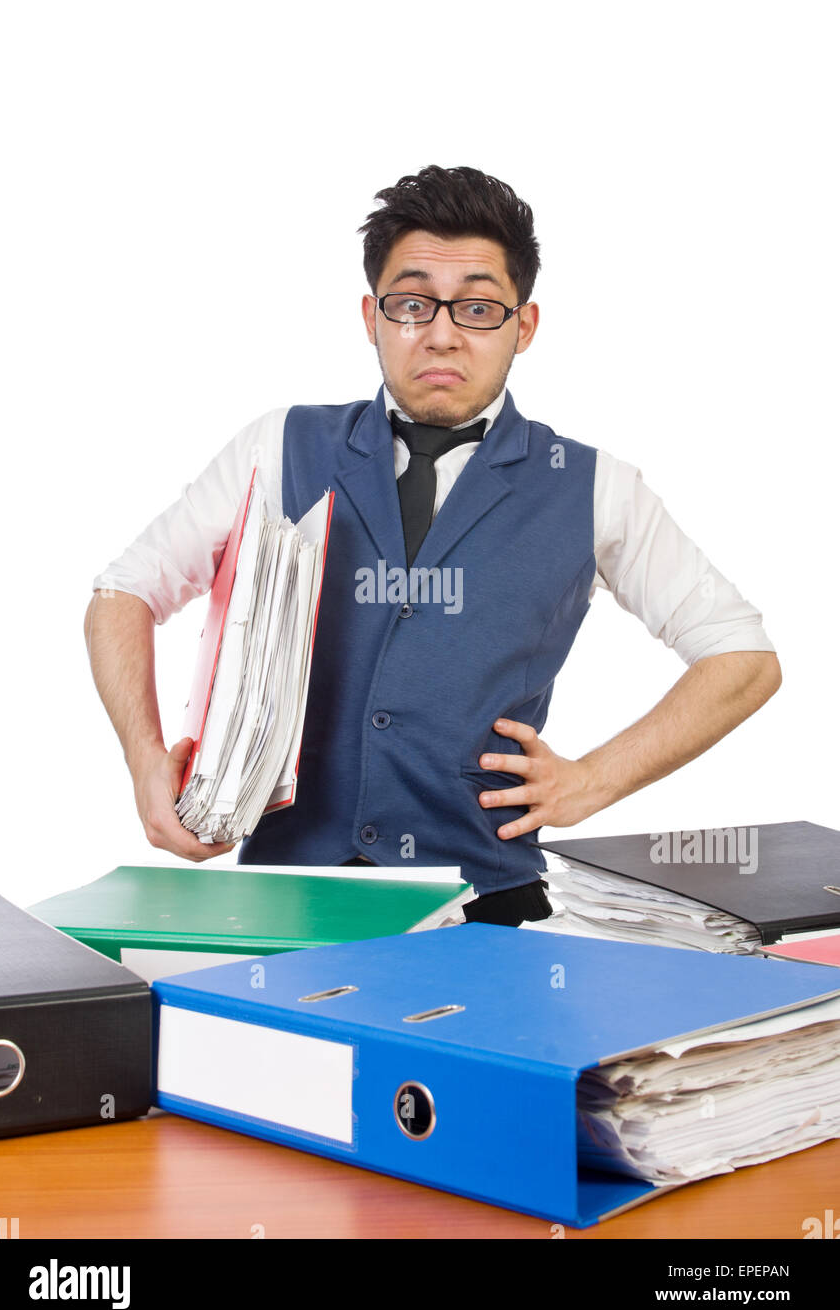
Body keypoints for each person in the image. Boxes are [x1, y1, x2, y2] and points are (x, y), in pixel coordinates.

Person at [84, 164, 781, 926]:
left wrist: (594, 779)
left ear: (524, 325)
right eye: (413, 303)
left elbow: (741, 659)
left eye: (478, 307)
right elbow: (124, 592)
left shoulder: (592, 484)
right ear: (371, 315)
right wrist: (147, 763)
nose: (442, 333)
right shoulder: (281, 443)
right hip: (285, 899)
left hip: (488, 903)